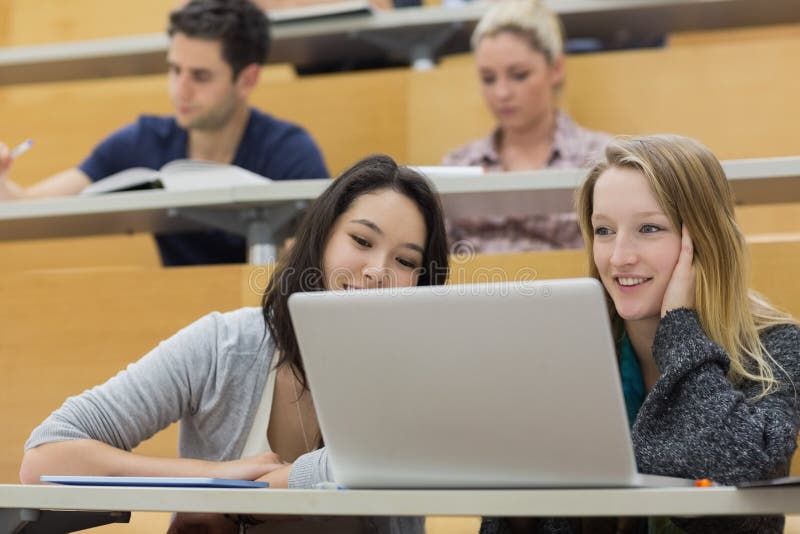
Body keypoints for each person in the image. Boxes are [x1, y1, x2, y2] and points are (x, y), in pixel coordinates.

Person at [20, 154, 449, 533]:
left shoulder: (419, 377)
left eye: (405, 261)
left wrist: (238, 500)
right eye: (361, 240)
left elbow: (358, 468)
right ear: (320, 239)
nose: (377, 270)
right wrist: (210, 477)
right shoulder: (226, 345)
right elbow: (46, 461)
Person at [482, 134, 800, 534]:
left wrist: (680, 328)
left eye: (648, 228)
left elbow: (742, 472)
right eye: (604, 231)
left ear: (704, 240)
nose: (618, 257)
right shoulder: (565, 349)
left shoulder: (771, 346)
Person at [0, 0, 328, 266]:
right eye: (174, 70)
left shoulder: (289, 150)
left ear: (247, 80)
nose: (180, 91)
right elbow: (28, 206)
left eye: (200, 76)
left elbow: (315, 261)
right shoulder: (143, 139)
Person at [442, 0, 610, 254]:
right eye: (488, 79)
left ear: (555, 69)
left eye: (519, 75)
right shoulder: (458, 164)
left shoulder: (600, 157)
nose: (502, 93)